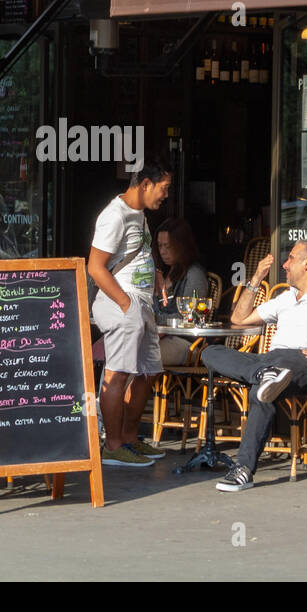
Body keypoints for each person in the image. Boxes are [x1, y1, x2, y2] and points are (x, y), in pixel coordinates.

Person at [200, 241, 307, 492]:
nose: (284, 264)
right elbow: (238, 320)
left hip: (304, 362)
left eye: (290, 258)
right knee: (211, 352)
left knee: (262, 390)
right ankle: (264, 375)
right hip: (269, 362)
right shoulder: (286, 298)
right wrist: (257, 277)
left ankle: (243, 469)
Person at [88, 159, 172, 467]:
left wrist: (157, 274)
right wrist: (126, 305)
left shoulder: (139, 214)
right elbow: (95, 267)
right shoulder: (115, 215)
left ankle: (130, 438)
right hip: (122, 304)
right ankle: (112, 445)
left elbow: (139, 252)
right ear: (146, 184)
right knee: (118, 373)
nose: (166, 196)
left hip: (141, 303)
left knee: (148, 373)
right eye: (164, 189)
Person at [153, 217, 209, 366]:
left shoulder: (194, 274)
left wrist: (154, 320)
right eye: (160, 246)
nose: (163, 251)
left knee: (141, 356)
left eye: (168, 246)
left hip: (186, 343)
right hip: (158, 338)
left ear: (181, 246)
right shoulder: (162, 274)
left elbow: (191, 316)